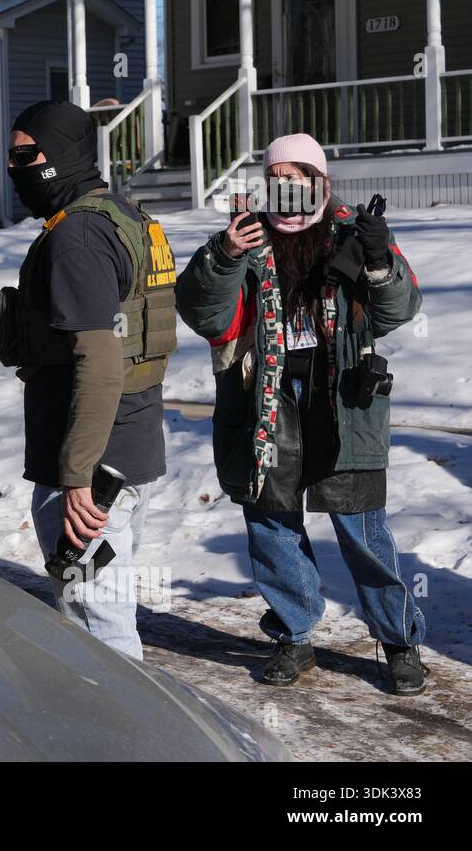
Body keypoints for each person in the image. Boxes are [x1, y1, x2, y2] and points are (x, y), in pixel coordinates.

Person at [175, 132, 428, 695]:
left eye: (299, 183)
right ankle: (294, 635)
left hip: (343, 400)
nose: (287, 196)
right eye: (277, 184)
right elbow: (200, 310)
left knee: (362, 527)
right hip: (261, 398)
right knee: (271, 522)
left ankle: (399, 642)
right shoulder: (244, 240)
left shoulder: (352, 233)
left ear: (321, 183)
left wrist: (381, 259)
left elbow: (401, 308)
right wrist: (224, 255)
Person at [2, 101, 177, 660]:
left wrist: (76, 476)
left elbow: (101, 362)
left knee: (98, 633)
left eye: (25, 154)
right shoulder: (125, 216)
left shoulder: (76, 236)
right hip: (131, 450)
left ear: (62, 154)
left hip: (91, 472)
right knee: (102, 607)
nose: (13, 167)